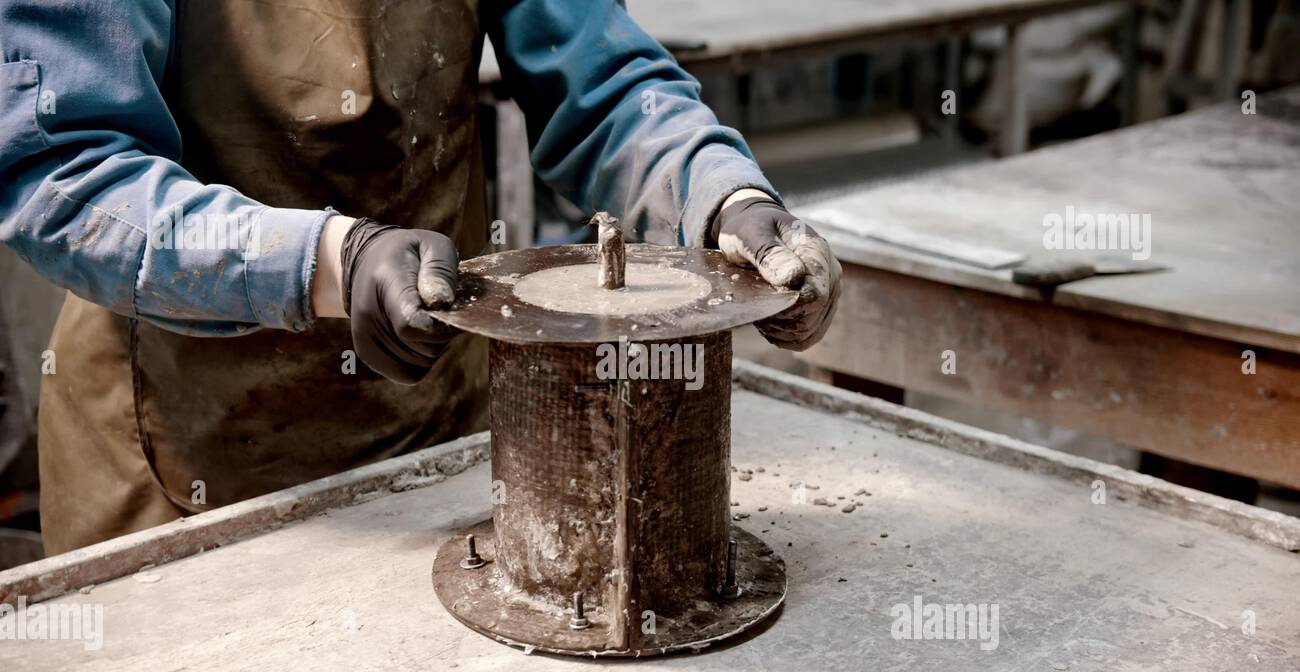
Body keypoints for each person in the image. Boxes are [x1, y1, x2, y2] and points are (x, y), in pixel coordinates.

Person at [0, 0, 840, 555]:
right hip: (188, 455)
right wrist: (328, 262)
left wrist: (722, 197)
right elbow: (64, 171)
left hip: (443, 426)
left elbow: (603, 79)